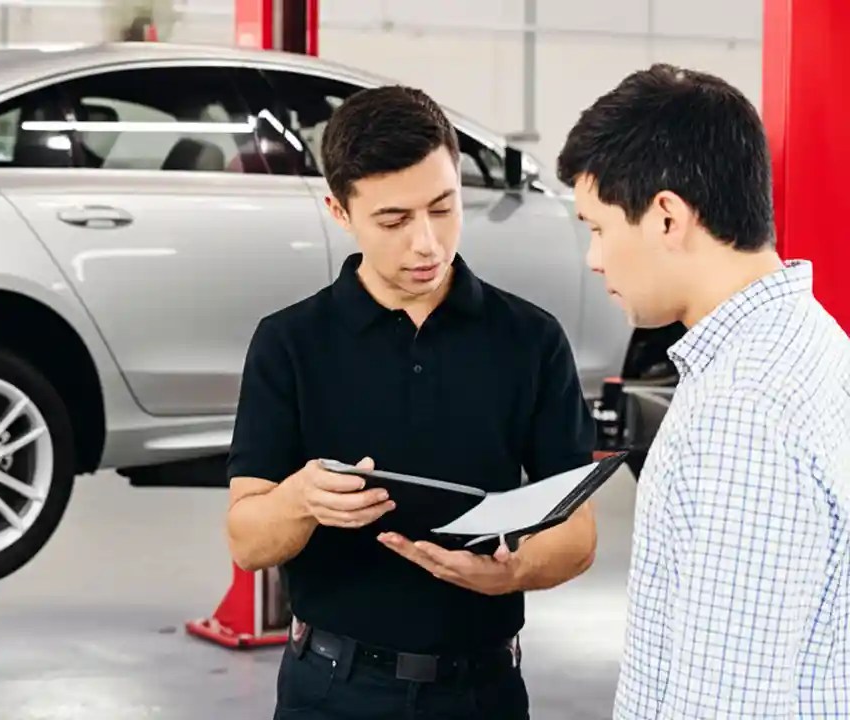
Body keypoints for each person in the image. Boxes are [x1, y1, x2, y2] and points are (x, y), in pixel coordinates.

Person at [225, 84, 601, 720]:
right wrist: (301, 499)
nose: (426, 243)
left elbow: (578, 531)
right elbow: (247, 541)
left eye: (443, 208)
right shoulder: (290, 343)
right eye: (394, 221)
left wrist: (511, 572)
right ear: (339, 213)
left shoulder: (529, 339)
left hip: (483, 691)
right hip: (332, 689)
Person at [556, 64, 850, 719]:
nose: (593, 258)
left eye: (598, 228)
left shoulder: (742, 417)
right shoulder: (812, 343)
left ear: (666, 217)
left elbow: (725, 704)